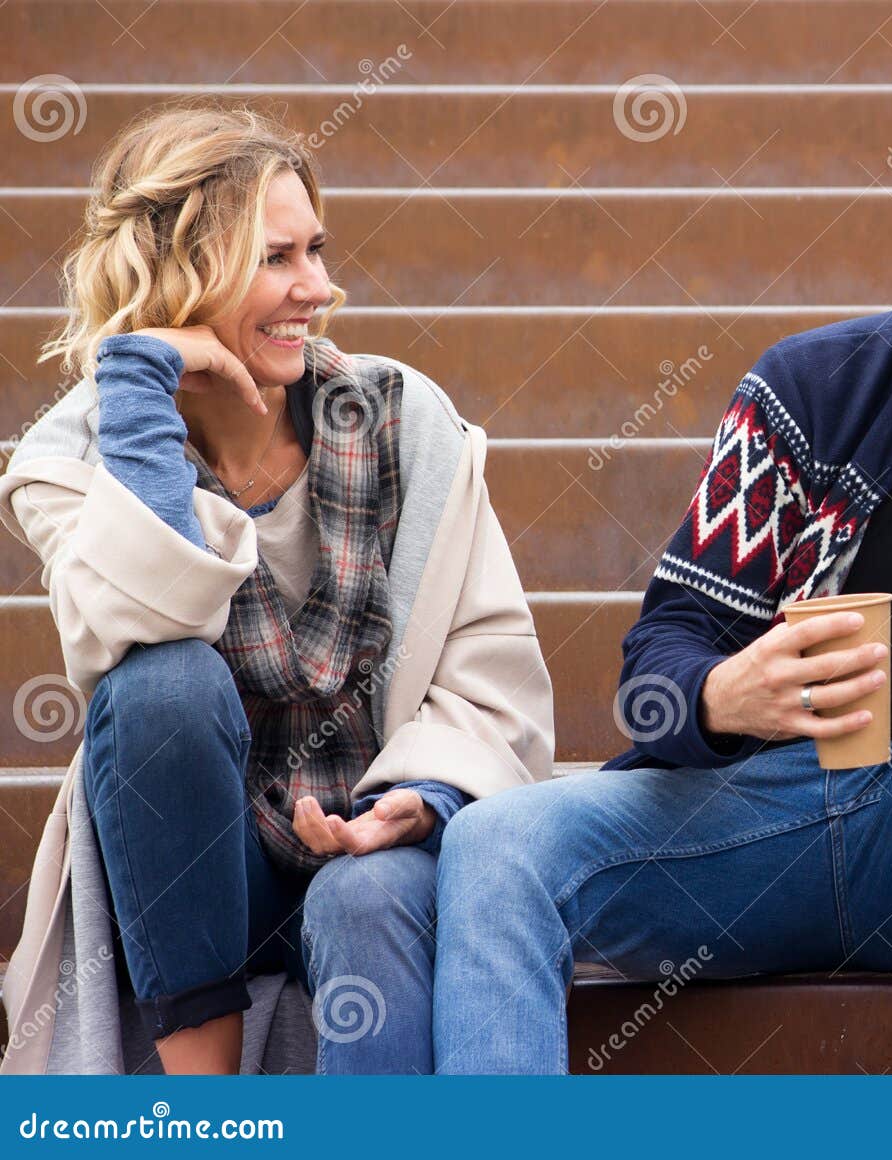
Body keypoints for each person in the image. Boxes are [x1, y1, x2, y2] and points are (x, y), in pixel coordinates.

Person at [431, 99, 892, 1074]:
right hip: (773, 819)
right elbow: (661, 654)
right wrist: (727, 693)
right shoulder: (813, 389)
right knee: (491, 843)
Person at [0, 102, 554, 1075]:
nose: (319, 288)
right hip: (196, 874)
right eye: (276, 259)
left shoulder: (398, 420)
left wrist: (416, 796)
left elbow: (489, 668)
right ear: (181, 276)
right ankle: (207, 1111)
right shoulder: (74, 459)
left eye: (317, 250)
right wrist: (140, 384)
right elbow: (147, 618)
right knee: (164, 684)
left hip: (376, 838)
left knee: (367, 897)